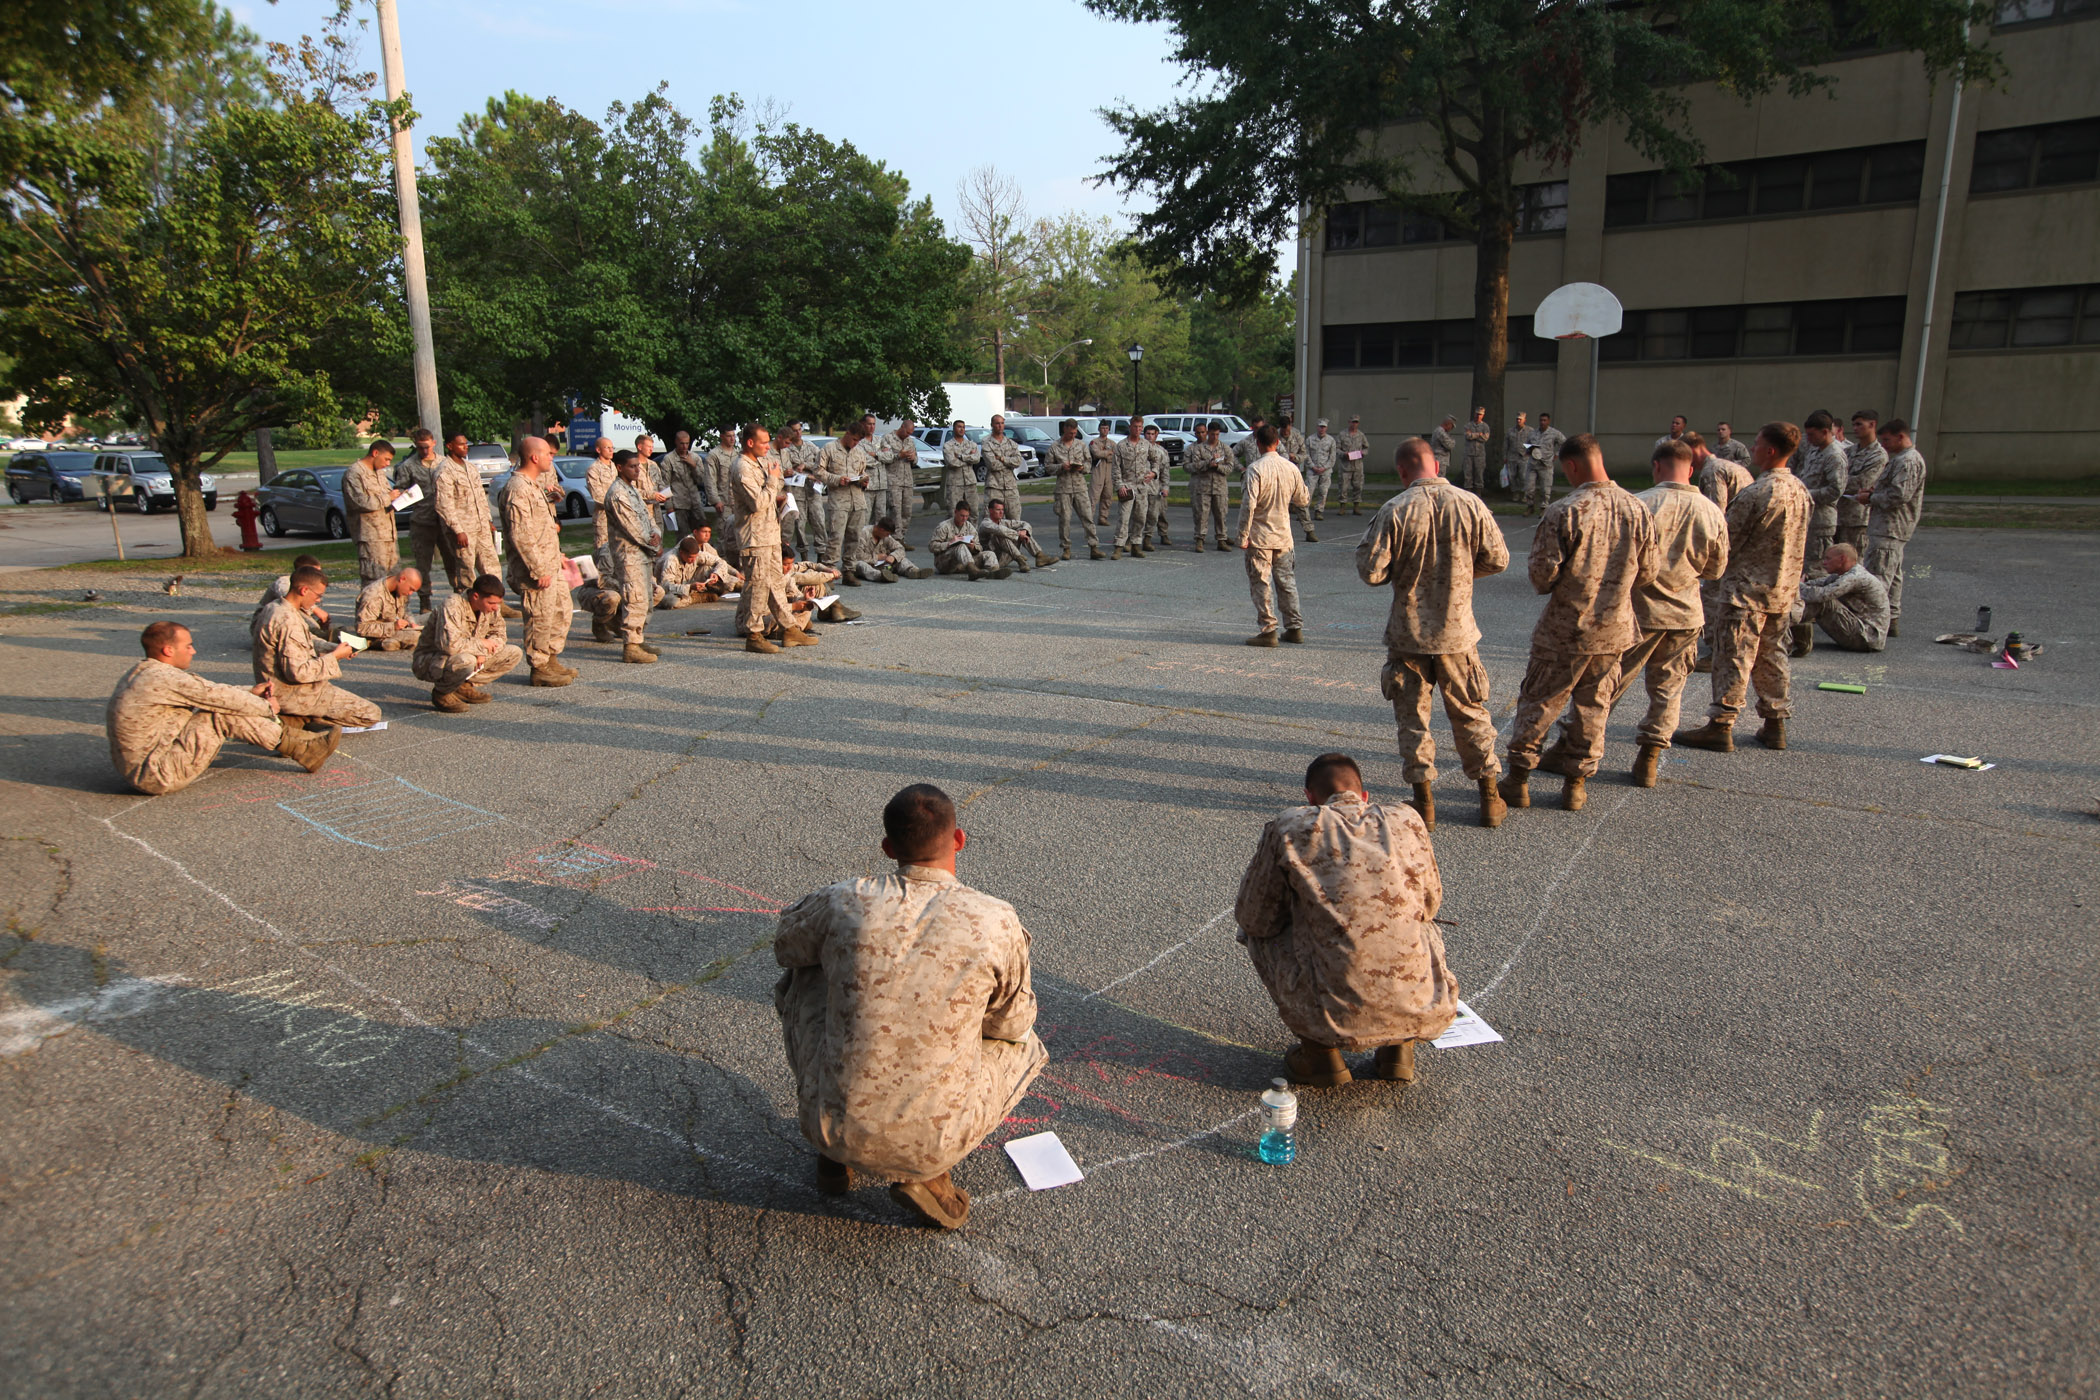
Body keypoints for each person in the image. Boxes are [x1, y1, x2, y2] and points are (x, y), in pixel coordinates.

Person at [773, 784, 1048, 1233]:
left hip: (828, 1123)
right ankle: (927, 1171)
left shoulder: (846, 899)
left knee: (806, 974)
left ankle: (834, 1155)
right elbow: (1011, 1022)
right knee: (1024, 1041)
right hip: (937, 1139)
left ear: (887, 848)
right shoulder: (995, 919)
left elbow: (786, 944)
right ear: (958, 840)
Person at [1233, 752, 1457, 1088]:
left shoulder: (1293, 826)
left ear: (1310, 797)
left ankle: (1320, 1054)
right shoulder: (1408, 819)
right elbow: (1430, 903)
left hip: (1331, 1011)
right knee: (1418, 923)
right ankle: (1399, 1047)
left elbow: (1255, 918)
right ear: (1364, 795)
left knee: (1256, 933)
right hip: (1425, 1007)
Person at [1544, 440, 1727, 789]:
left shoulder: (1640, 504)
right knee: (1668, 690)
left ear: (1656, 466)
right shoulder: (1711, 511)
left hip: (1638, 613)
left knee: (1604, 688)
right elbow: (1716, 569)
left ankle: (1570, 748)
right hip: (1686, 613)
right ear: (1691, 470)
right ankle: (1649, 759)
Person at [1497, 434, 1659, 813]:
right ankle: (1576, 784)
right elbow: (1649, 573)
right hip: (1614, 630)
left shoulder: (1564, 510)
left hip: (1564, 630)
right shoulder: (1638, 509)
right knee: (1593, 707)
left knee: (1540, 701)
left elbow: (1542, 576)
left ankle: (1519, 778)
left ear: (1571, 465)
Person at [1354, 437, 1509, 829]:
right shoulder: (1471, 504)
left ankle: (1424, 802)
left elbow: (1371, 571)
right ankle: (1489, 797)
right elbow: (1499, 559)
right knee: (1472, 713)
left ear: (1402, 471)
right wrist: (1461, 576)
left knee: (1412, 720)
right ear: (1436, 465)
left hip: (1409, 635)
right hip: (1458, 633)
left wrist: (1402, 573)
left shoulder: (1396, 510)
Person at [1677, 421, 1812, 753]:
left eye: (1757, 444)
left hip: (1746, 591)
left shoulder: (1758, 492)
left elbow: (1727, 539)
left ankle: (1721, 724)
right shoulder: (1801, 491)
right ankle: (1774, 724)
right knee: (1773, 656)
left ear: (1770, 450)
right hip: (1782, 590)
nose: (1751, 449)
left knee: (1733, 656)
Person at [108, 621, 336, 794]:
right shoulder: (164, 679)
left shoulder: (147, 672)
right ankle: (305, 749)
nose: (193, 651)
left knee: (218, 708)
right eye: (188, 646)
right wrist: (266, 707)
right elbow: (216, 697)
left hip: (143, 765)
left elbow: (209, 691)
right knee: (219, 716)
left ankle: (299, 742)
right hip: (156, 773)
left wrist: (250, 692)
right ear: (168, 650)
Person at [253, 565, 382, 730]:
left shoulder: (276, 607)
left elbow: (305, 639)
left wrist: (333, 648)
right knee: (370, 714)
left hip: (277, 687)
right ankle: (296, 720)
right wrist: (334, 656)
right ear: (304, 590)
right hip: (292, 693)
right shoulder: (287, 620)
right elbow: (297, 672)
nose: (319, 600)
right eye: (318, 595)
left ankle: (296, 717)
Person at [503, 435, 577, 686]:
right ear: (534, 457)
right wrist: (537, 569)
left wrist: (556, 557)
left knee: (561, 610)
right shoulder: (518, 489)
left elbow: (541, 529)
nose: (550, 458)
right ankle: (539, 668)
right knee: (539, 617)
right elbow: (521, 536)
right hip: (535, 570)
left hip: (550, 563)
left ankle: (551, 658)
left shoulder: (533, 485)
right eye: (547, 454)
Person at [733, 422, 810, 654]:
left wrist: (777, 495)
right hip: (754, 538)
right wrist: (773, 480)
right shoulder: (742, 467)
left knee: (776, 582)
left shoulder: (758, 462)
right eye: (764, 442)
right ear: (750, 443)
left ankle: (789, 629)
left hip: (769, 533)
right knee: (758, 586)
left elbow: (766, 496)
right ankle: (754, 635)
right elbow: (756, 502)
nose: (768, 446)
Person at [1239, 423, 1311, 647]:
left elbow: (1248, 505)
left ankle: (1269, 629)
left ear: (1258, 443)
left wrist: (1242, 535)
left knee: (1262, 582)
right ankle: (1294, 627)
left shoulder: (1255, 469)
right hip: (1283, 535)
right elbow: (1304, 500)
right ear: (1277, 442)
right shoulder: (1291, 468)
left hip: (1260, 536)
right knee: (1287, 582)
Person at [413, 575, 523, 712]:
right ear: (476, 596)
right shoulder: (452, 605)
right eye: (491, 603)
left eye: (498, 603)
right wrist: (481, 646)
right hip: (432, 659)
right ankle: (442, 693)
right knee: (467, 660)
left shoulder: (491, 607)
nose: (495, 608)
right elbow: (449, 645)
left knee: (513, 653)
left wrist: (482, 651)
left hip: (467, 653)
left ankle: (462, 686)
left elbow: (500, 635)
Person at [1861, 418, 1927, 638]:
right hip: (1888, 526)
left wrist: (1872, 497)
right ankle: (1891, 619)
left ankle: (1874, 623)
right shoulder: (1900, 459)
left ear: (1901, 436)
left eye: (1887, 440)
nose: (1884, 444)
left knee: (1879, 575)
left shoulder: (1907, 461)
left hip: (1890, 527)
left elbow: (1899, 496)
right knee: (1892, 573)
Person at [434, 433, 510, 613]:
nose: (465, 447)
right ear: (450, 446)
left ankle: (497, 605)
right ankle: (467, 610)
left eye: (466, 444)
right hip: (462, 529)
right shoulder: (444, 471)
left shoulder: (470, 468)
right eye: (460, 445)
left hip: (481, 526)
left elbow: (480, 498)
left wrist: (489, 521)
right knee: (465, 570)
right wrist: (457, 530)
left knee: (491, 565)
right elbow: (444, 504)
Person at [602, 451, 663, 665]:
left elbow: (648, 519)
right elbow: (634, 530)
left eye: (638, 466)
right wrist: (652, 543)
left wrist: (657, 534)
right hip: (629, 555)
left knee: (646, 598)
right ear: (619, 467)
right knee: (634, 599)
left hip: (643, 553)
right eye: (632, 466)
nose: (637, 470)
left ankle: (639, 638)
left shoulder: (633, 490)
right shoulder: (617, 493)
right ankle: (630, 646)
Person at [1790, 543, 1889, 654]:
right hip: (1862, 632)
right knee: (1810, 594)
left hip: (1867, 638)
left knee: (1824, 603)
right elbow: (1817, 584)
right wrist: (1800, 585)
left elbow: (1822, 595)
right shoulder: (1844, 574)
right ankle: (1793, 629)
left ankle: (1784, 627)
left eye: (1828, 558)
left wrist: (1794, 586)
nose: (1824, 562)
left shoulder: (1854, 577)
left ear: (1842, 559)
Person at [395, 427, 449, 612]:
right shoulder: (408, 466)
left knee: (452, 560)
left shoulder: (444, 463)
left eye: (427, 446)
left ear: (434, 443)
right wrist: (406, 495)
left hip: (444, 521)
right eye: (420, 448)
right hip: (422, 521)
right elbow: (399, 491)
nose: (424, 451)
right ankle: (424, 601)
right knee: (422, 565)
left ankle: (459, 596)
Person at [341, 439, 409, 583]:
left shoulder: (379, 473)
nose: (387, 464)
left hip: (388, 535)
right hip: (370, 537)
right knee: (375, 581)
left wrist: (400, 497)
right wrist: (388, 497)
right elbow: (360, 502)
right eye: (386, 459)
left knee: (394, 579)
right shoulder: (354, 473)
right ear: (375, 453)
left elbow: (387, 497)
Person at [1796, 411, 1850, 571]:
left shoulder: (1834, 455)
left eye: (1812, 435)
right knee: (1804, 566)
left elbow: (1835, 490)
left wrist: (1805, 494)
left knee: (1817, 568)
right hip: (1808, 517)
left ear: (1825, 432)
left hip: (1821, 521)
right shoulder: (1814, 450)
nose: (1808, 439)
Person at [1044, 419, 1101, 560]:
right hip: (1063, 489)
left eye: (1075, 433)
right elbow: (1048, 467)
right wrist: (1061, 467)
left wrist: (1082, 468)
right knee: (1065, 520)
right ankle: (1066, 548)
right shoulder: (1054, 447)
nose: (1073, 435)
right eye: (1070, 433)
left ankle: (1093, 546)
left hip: (1080, 486)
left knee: (1087, 517)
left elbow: (1089, 462)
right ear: (1065, 429)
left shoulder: (1081, 445)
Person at [819, 425, 871, 579]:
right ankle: (829, 571)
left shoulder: (859, 452)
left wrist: (864, 481)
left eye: (858, 441)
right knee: (836, 536)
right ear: (847, 434)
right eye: (854, 439)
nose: (855, 443)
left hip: (857, 500)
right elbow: (819, 471)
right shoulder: (829, 449)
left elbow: (863, 472)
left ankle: (849, 569)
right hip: (839, 501)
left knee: (855, 536)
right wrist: (836, 479)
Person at [1836, 410, 1886, 553]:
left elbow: (1862, 482)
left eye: (1859, 424)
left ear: (1872, 424)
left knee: (1853, 560)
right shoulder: (1848, 451)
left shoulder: (1878, 454)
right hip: (1838, 514)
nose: (1855, 428)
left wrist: (1836, 484)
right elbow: (1834, 474)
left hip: (1857, 518)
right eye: (1853, 425)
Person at [778, 422, 826, 560]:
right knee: (799, 524)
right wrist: (797, 471)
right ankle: (804, 557)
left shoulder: (810, 446)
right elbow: (785, 470)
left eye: (800, 430)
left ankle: (820, 556)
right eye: (794, 431)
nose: (798, 433)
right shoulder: (787, 450)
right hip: (797, 491)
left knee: (819, 522)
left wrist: (806, 465)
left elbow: (821, 464)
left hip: (813, 491)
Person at [1184, 421, 1232, 552]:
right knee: (1201, 515)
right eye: (1212, 434)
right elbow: (1193, 465)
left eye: (1217, 434)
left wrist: (1218, 466)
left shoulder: (1225, 449)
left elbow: (1230, 467)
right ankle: (1200, 540)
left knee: (1221, 514)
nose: (1214, 437)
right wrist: (1207, 464)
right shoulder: (1199, 448)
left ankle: (1222, 539)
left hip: (1219, 486)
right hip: (1202, 486)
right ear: (1208, 433)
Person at [657, 529, 740, 604]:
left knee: (708, 569)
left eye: (695, 557)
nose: (693, 560)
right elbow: (666, 586)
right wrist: (689, 587)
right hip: (673, 589)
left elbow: (720, 561)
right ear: (681, 553)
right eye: (690, 557)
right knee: (670, 601)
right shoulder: (671, 560)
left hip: (690, 580)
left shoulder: (698, 554)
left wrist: (716, 574)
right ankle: (697, 598)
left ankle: (741, 586)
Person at [1110, 418, 1154, 560]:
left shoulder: (1146, 444)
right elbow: (1116, 468)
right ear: (1130, 427)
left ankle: (1136, 545)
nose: (1137, 429)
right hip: (1127, 486)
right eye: (1135, 426)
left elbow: (1156, 460)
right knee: (1124, 518)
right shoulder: (1121, 446)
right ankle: (1119, 546)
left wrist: (1154, 472)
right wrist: (1119, 485)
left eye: (1140, 427)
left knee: (1140, 517)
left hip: (1142, 486)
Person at [930, 502, 1006, 579]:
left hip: (963, 564)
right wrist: (949, 543)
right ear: (955, 512)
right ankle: (973, 572)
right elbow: (932, 546)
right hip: (945, 563)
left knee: (989, 553)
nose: (964, 519)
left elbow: (979, 547)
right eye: (962, 516)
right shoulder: (944, 526)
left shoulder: (969, 526)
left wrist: (973, 547)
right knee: (961, 546)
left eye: (966, 516)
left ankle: (993, 572)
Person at [353, 567, 424, 651]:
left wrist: (412, 623)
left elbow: (405, 610)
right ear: (402, 579)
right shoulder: (374, 595)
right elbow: (362, 628)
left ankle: (393, 643)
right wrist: (393, 626)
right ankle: (385, 643)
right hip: (380, 634)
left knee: (433, 617)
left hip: (398, 626)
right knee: (418, 637)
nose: (410, 593)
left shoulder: (401, 590)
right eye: (411, 589)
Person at [873, 418, 921, 541]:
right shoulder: (888, 438)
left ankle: (902, 537)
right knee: (896, 511)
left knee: (907, 511)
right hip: (893, 480)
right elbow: (884, 457)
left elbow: (916, 460)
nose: (908, 435)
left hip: (907, 480)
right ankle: (895, 539)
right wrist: (899, 455)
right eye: (907, 432)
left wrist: (912, 458)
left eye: (911, 433)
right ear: (902, 427)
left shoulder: (910, 441)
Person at [660, 429, 711, 538]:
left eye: (687, 443)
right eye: (682, 443)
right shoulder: (669, 459)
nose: (684, 446)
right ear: (676, 442)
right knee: (682, 536)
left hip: (695, 502)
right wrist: (669, 507)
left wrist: (693, 466)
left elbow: (701, 479)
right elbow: (664, 484)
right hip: (678, 503)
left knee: (702, 531)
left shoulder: (695, 457)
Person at [982, 498, 1052, 572]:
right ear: (990, 510)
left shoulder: (1004, 522)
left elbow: (1024, 523)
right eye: (998, 510)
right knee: (1001, 535)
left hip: (1004, 557)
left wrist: (1024, 531)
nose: (1001, 512)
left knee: (1022, 531)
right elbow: (1000, 530)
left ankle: (1040, 556)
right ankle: (1021, 561)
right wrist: (1018, 535)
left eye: (1002, 510)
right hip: (990, 560)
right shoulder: (985, 523)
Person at [853, 516, 930, 581]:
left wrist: (893, 556)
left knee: (900, 559)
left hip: (883, 565)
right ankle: (881, 576)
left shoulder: (885, 536)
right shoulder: (863, 534)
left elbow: (900, 548)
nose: (887, 536)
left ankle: (913, 571)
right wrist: (877, 557)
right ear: (882, 530)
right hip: (867, 565)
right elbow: (858, 555)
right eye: (887, 534)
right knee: (860, 565)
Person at [981, 415, 1025, 524]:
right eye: (997, 423)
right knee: (992, 521)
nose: (1000, 426)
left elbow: (1018, 461)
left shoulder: (1011, 443)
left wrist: (1002, 458)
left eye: (1002, 423)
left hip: (1010, 487)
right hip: (994, 486)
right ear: (992, 425)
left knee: (1015, 520)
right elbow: (992, 465)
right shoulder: (987, 443)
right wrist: (1010, 462)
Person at [703, 428, 742, 545]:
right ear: (722, 437)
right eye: (729, 436)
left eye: (734, 436)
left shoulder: (738, 454)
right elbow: (710, 479)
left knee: (738, 533)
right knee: (724, 533)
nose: (732, 439)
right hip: (723, 500)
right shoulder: (714, 455)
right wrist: (715, 500)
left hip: (737, 500)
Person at [940, 419, 981, 516]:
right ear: (954, 429)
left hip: (970, 482)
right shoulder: (948, 445)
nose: (961, 429)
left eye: (963, 427)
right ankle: (954, 531)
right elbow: (952, 462)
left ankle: (972, 531)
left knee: (973, 512)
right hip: (955, 484)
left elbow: (977, 459)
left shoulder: (971, 444)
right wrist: (968, 459)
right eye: (959, 427)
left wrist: (961, 456)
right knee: (953, 512)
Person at [1144, 424, 1174, 547]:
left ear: (1157, 435)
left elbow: (1165, 472)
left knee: (1160, 512)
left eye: (1153, 434)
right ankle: (1140, 537)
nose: (1150, 436)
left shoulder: (1162, 452)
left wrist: (1165, 488)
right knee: (1139, 514)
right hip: (1141, 486)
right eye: (1148, 434)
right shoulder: (1140, 449)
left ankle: (1163, 533)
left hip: (1156, 486)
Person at [1303, 419, 1337, 522]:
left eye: (1323, 427)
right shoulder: (1310, 439)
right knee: (1308, 491)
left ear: (1326, 428)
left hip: (1325, 471)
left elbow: (1332, 457)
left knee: (1323, 491)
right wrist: (1312, 466)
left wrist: (1324, 467)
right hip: (1312, 470)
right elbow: (1306, 454)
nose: (1321, 429)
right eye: (1320, 426)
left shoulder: (1331, 440)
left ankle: (1319, 511)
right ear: (1317, 427)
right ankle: (1304, 512)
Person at [1087, 418, 1118, 529]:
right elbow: (1096, 453)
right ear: (1099, 429)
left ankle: (1103, 517)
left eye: (1106, 428)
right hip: (1098, 470)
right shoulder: (1094, 442)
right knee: (1093, 496)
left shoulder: (1112, 443)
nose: (1104, 430)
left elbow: (1116, 455)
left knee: (1107, 495)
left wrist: (1105, 454)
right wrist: (1107, 453)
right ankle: (1088, 518)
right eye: (1102, 428)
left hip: (1109, 471)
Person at [1337, 415, 1370, 515]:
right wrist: (1344, 454)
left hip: (1357, 466)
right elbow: (1336, 448)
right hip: (1345, 466)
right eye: (1352, 422)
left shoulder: (1361, 435)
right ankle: (1342, 507)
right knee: (1343, 487)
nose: (1354, 424)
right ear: (1349, 422)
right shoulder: (1342, 434)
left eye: (1356, 422)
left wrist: (1362, 453)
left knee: (1358, 486)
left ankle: (1356, 506)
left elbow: (1366, 448)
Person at [1503, 411, 1536, 499]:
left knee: (1523, 476)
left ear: (1524, 420)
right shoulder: (1510, 431)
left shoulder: (1530, 431)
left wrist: (1530, 454)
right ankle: (1515, 492)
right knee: (1512, 476)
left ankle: (1525, 493)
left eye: (1520, 419)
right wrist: (1505, 457)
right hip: (1512, 456)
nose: (1518, 421)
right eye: (1517, 419)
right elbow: (1506, 444)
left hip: (1524, 457)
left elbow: (1533, 444)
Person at [1461, 407, 1492, 493]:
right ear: (1474, 414)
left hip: (1480, 454)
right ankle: (1468, 491)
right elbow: (1467, 436)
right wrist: (1478, 434)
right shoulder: (1468, 425)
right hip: (1468, 454)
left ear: (1483, 415)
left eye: (1480, 414)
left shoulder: (1485, 426)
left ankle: (1478, 492)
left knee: (1479, 473)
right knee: (1468, 474)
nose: (1478, 416)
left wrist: (1473, 435)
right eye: (1477, 414)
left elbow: (1485, 438)